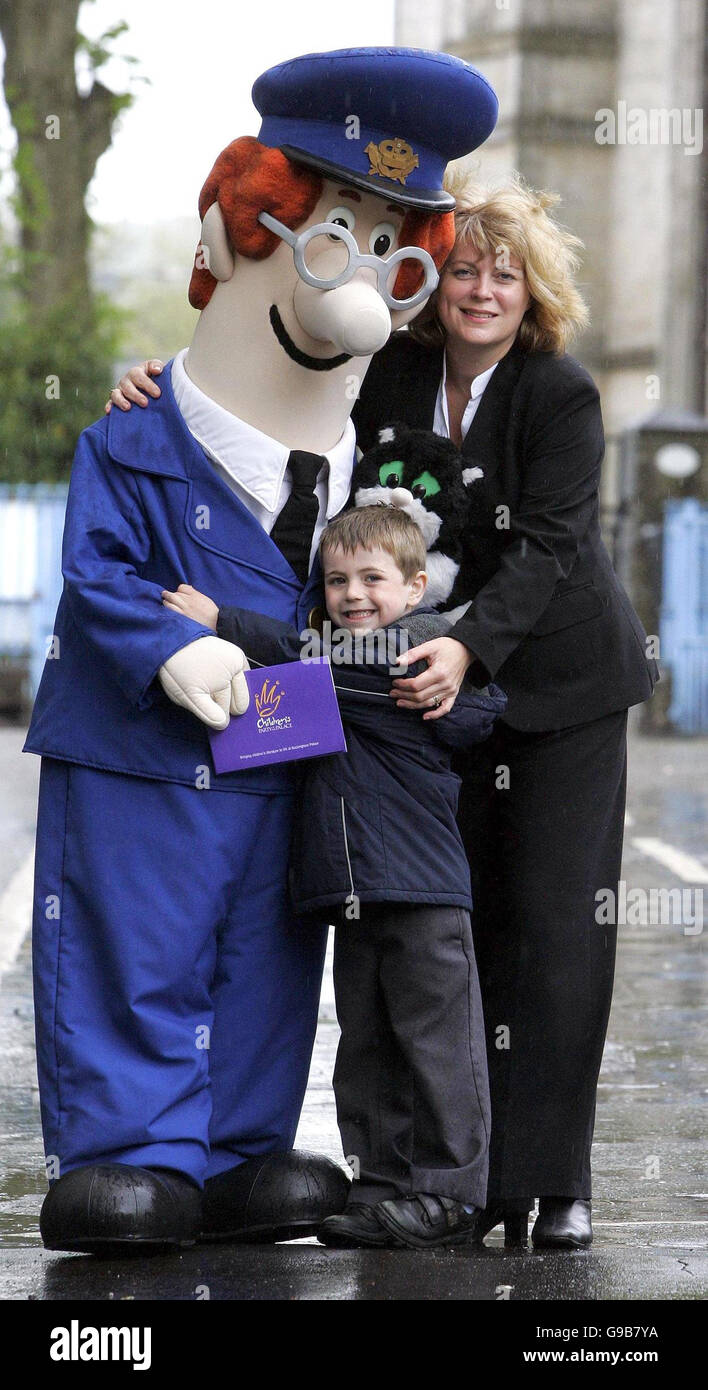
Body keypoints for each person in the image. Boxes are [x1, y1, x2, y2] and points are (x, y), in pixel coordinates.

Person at [113, 171, 658, 1250]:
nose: (483, 288)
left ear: (533, 291)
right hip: (415, 688)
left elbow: (549, 551)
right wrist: (162, 387)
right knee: (440, 936)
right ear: (429, 278)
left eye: (505, 273)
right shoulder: (394, 371)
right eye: (464, 267)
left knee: (550, 932)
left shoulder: (561, 395)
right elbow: (282, 401)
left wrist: (465, 644)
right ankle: (449, 1175)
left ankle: (550, 1183)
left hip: (554, 686)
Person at [25, 48, 499, 1256]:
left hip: (287, 759)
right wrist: (159, 650)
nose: (364, 284)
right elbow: (96, 574)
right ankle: (131, 1148)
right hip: (144, 754)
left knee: (264, 953)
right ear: (249, 229)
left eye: (395, 252)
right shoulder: (133, 440)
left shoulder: (374, 464)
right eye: (337, 236)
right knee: (139, 939)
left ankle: (237, 1147)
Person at [162, 503, 507, 1250]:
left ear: (415, 588)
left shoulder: (418, 650)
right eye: (337, 580)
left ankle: (450, 1197)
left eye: (373, 579)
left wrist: (223, 620)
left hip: (421, 891)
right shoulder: (345, 658)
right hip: (353, 895)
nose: (353, 594)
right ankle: (382, 1187)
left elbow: (314, 663)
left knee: (438, 1047)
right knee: (368, 1047)